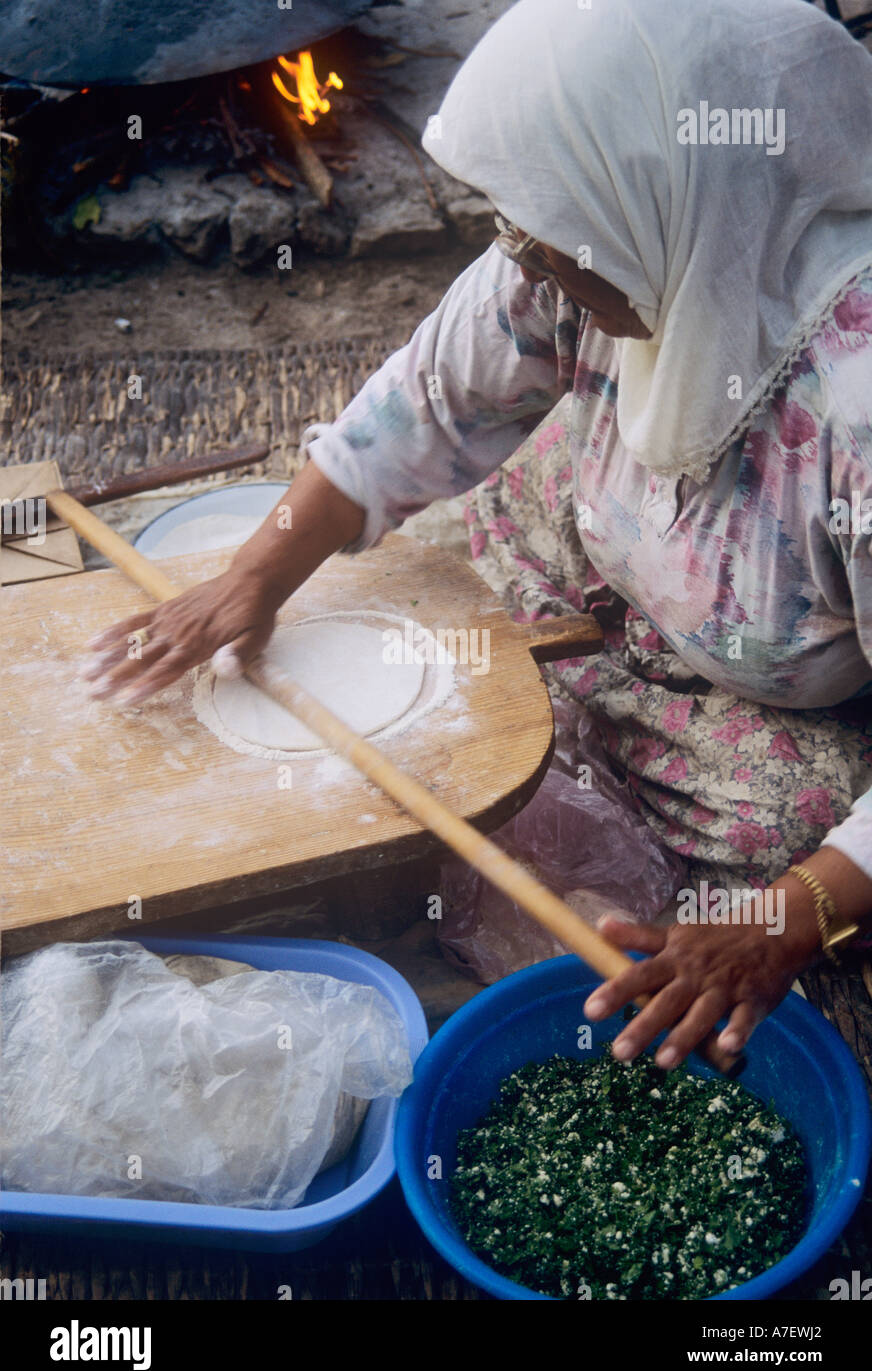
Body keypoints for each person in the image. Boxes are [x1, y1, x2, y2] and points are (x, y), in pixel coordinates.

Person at [85, 0, 872, 1068]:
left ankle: (621, 768)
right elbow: (430, 400)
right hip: (587, 553)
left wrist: (783, 919)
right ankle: (574, 725)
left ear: (679, 189)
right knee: (411, 604)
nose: (523, 261)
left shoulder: (852, 412)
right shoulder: (606, 243)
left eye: (546, 234)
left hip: (756, 694)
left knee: (794, 844)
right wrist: (256, 575)